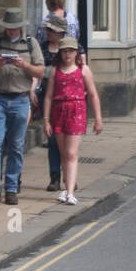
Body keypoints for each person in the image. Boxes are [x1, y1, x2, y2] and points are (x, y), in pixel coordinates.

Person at [0, 7, 44, 207]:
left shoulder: (31, 44)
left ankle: (12, 189)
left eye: (15, 29)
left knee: (16, 146)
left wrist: (24, 66)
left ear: (21, 28)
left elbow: (40, 71)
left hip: (20, 99)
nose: (12, 32)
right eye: (9, 28)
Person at [43, 38, 102, 206]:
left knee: (71, 153)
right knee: (63, 153)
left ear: (76, 52)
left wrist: (98, 118)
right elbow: (48, 97)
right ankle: (66, 188)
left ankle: (70, 193)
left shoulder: (84, 70)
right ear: (60, 53)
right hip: (58, 111)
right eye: (64, 51)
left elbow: (93, 95)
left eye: (70, 50)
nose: (67, 54)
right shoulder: (55, 71)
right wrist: (46, 120)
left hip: (77, 111)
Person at [34, 15, 86, 192]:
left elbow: (82, 70)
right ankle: (55, 177)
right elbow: (37, 71)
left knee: (68, 145)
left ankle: (69, 178)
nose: (47, 33)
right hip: (49, 97)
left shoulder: (74, 48)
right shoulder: (41, 48)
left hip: (70, 100)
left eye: (51, 30)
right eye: (47, 29)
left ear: (60, 32)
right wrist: (33, 89)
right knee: (53, 141)